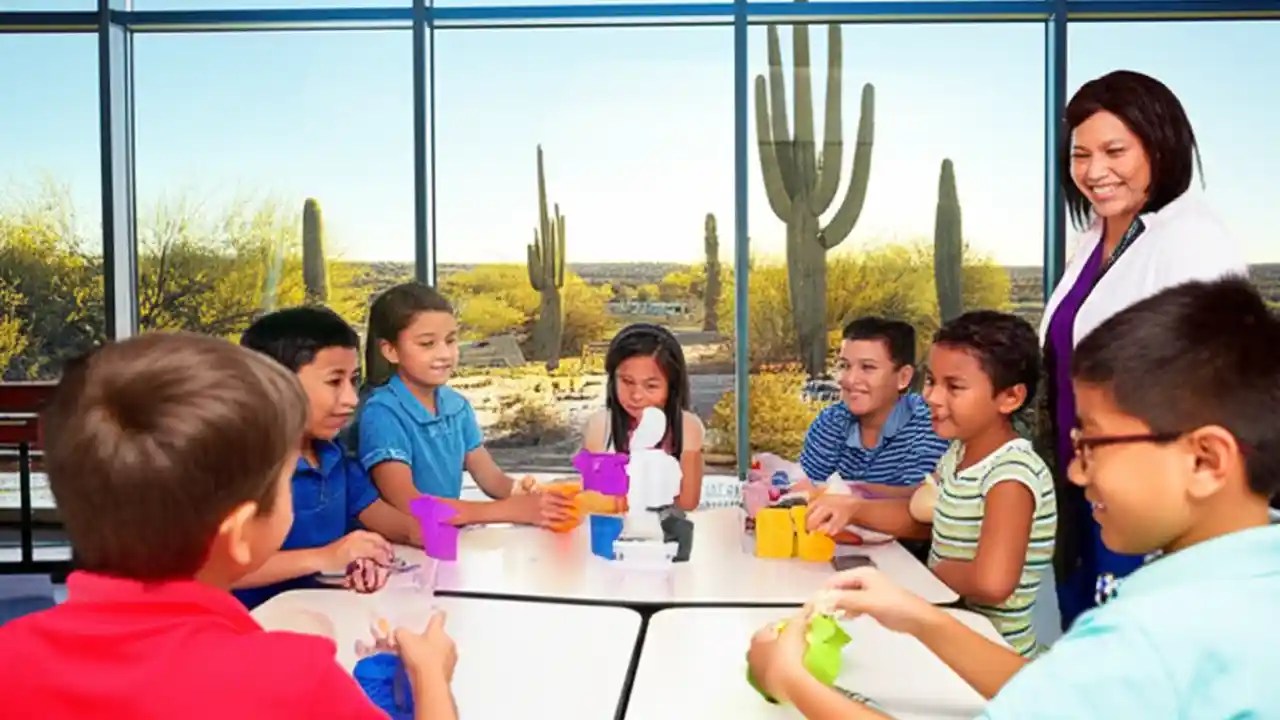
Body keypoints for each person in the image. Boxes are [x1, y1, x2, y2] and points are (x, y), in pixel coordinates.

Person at [748, 277, 1280, 718]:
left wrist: (791, 678)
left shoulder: (1147, 638)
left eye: (1093, 443)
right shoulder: (1241, 592)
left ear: (1207, 461)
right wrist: (921, 615)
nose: (1075, 469)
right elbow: (1055, 691)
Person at [0, 333, 458, 719]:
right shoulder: (293, 680)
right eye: (284, 481)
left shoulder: (10, 658)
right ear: (238, 534)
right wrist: (430, 676)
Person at [1039, 69, 1248, 628]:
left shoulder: (1191, 237)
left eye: (1114, 151)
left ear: (1160, 145)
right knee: (1090, 657)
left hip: (1155, 501)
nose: (1093, 171)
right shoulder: (1093, 240)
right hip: (1087, 490)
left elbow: (1220, 377)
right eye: (1080, 155)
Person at [808, 311, 1055, 656]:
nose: (933, 398)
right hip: (951, 637)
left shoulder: (1011, 474)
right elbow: (918, 508)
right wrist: (853, 507)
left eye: (953, 387)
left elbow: (992, 582)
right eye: (932, 382)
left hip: (991, 656)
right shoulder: (958, 455)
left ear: (1009, 398)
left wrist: (923, 577)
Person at [232, 306, 423, 610]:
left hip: (319, 618)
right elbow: (219, 571)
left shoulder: (335, 458)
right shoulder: (238, 471)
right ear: (274, 385)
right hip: (246, 634)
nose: (351, 399)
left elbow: (397, 525)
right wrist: (325, 556)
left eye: (353, 380)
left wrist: (368, 556)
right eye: (335, 382)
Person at [357, 282, 574, 527]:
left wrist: (521, 492)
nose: (444, 354)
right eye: (427, 344)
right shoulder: (382, 413)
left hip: (442, 540)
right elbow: (410, 504)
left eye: (450, 341)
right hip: (396, 549)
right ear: (391, 350)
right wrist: (508, 510)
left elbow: (490, 478)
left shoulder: (456, 406)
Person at [798, 317, 948, 494]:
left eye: (867, 367)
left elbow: (915, 506)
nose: (850, 379)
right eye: (844, 366)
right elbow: (804, 492)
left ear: (903, 377)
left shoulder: (929, 427)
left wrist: (850, 498)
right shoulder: (830, 422)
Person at [581, 323, 703, 510]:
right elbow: (597, 500)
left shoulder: (687, 427)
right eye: (627, 382)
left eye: (651, 386)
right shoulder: (601, 427)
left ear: (672, 386)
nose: (636, 396)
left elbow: (687, 503)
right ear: (612, 378)